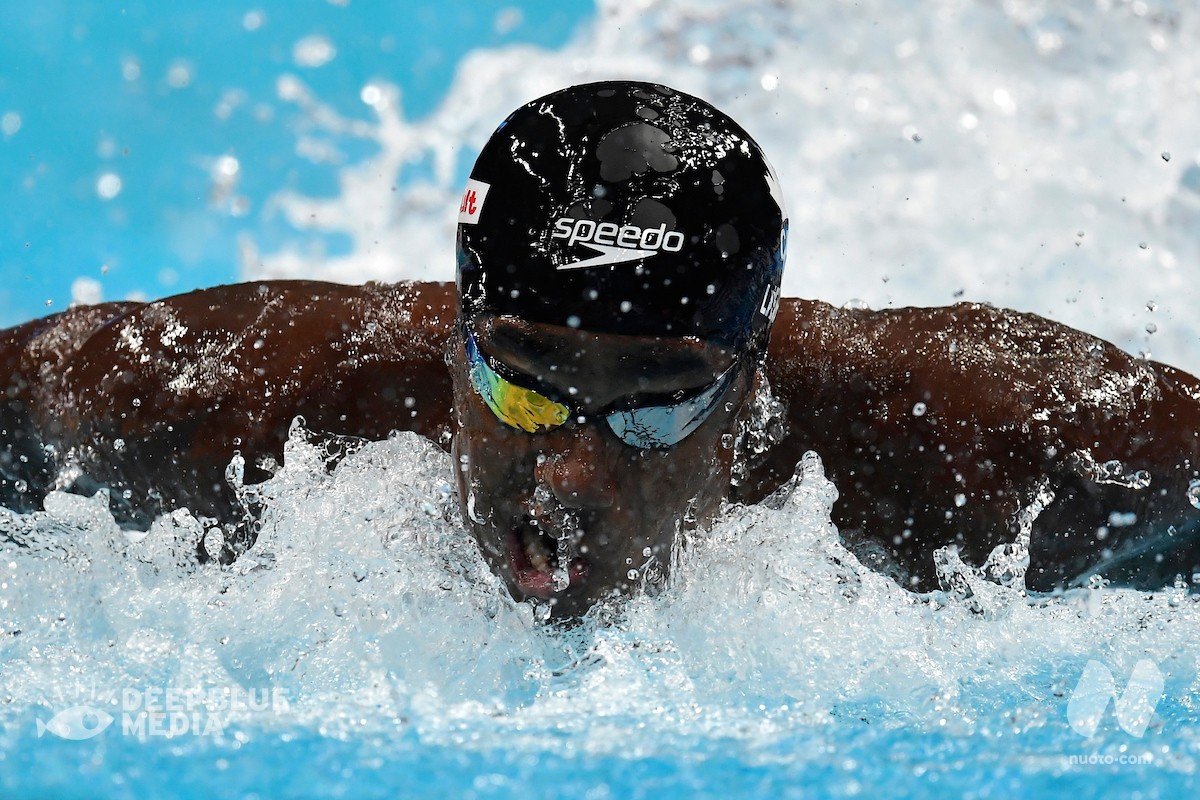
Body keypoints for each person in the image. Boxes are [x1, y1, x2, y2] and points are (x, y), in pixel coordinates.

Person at [2, 81, 1199, 617]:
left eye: (659, 400)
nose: (569, 470)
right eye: (526, 381)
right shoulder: (252, 400)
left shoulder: (969, 439)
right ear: (460, 341)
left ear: (751, 377)